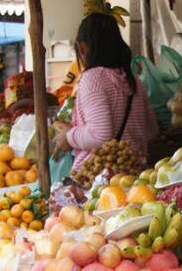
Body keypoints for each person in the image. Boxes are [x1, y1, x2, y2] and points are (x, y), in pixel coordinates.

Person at [52, 13, 157, 171]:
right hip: (134, 174)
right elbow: (151, 130)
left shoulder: (93, 78)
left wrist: (69, 137)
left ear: (81, 47)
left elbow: (100, 136)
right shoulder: (134, 81)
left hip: (100, 180)